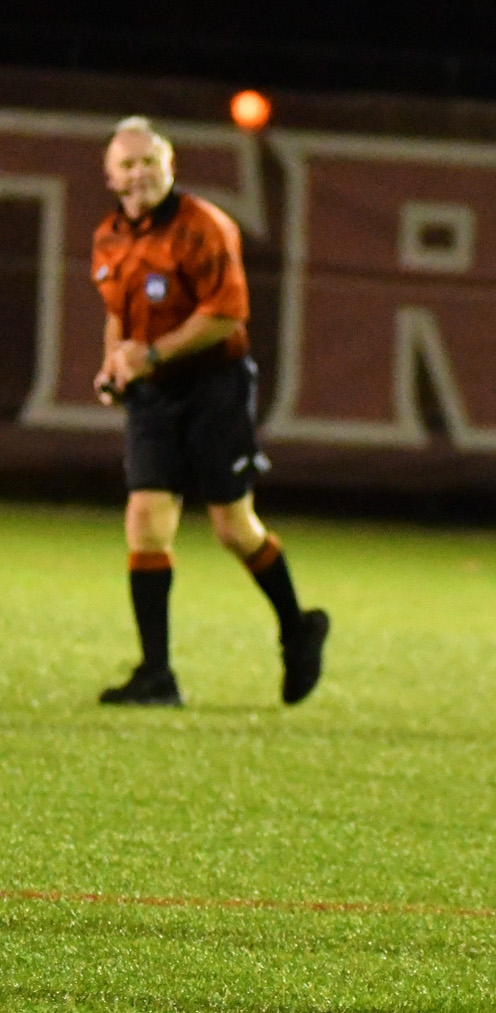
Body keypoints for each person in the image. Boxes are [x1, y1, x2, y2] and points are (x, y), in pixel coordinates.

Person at [91, 117, 328, 707]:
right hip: (153, 393)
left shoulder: (203, 227)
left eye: (149, 161)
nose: (139, 173)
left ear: (170, 165)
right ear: (109, 175)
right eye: (128, 164)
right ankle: (157, 674)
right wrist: (114, 367)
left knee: (232, 527)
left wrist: (149, 355)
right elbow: (118, 313)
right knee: (145, 519)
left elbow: (226, 315)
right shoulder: (109, 237)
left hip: (213, 387)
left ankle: (297, 627)